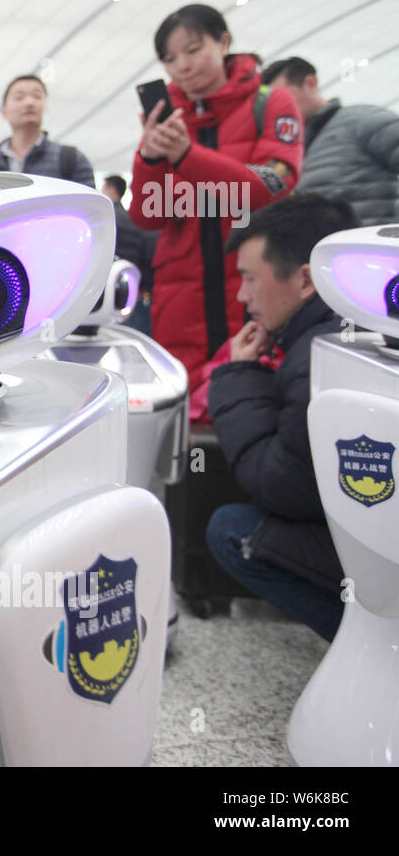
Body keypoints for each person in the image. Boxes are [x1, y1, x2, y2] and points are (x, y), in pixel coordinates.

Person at [205, 194, 357, 641]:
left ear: (306, 281)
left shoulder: (318, 355)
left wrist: (239, 375)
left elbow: (281, 487)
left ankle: (368, 643)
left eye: (250, 279)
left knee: (231, 531)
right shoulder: (355, 327)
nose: (241, 295)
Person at [129, 4, 304, 390]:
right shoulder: (170, 117)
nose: (183, 66)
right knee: (188, 414)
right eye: (170, 59)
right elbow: (147, 215)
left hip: (253, 287)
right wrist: (149, 157)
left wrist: (187, 156)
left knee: (257, 397)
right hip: (179, 293)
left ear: (223, 41)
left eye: (193, 49)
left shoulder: (271, 103)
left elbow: (269, 188)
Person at [263, 56, 399, 225]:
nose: (277, 106)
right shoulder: (290, 150)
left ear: (310, 83)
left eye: (282, 97)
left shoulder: (363, 120)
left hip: (374, 247)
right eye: (271, 102)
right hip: (324, 250)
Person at [0, 75, 94, 185]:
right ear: (4, 112)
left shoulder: (71, 159)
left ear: (45, 106)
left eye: (37, 96)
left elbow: (91, 205)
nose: (29, 102)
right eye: (19, 97)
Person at [102, 173, 156, 334]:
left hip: (112, 289)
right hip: (134, 288)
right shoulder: (130, 218)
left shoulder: (108, 215)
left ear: (111, 190)